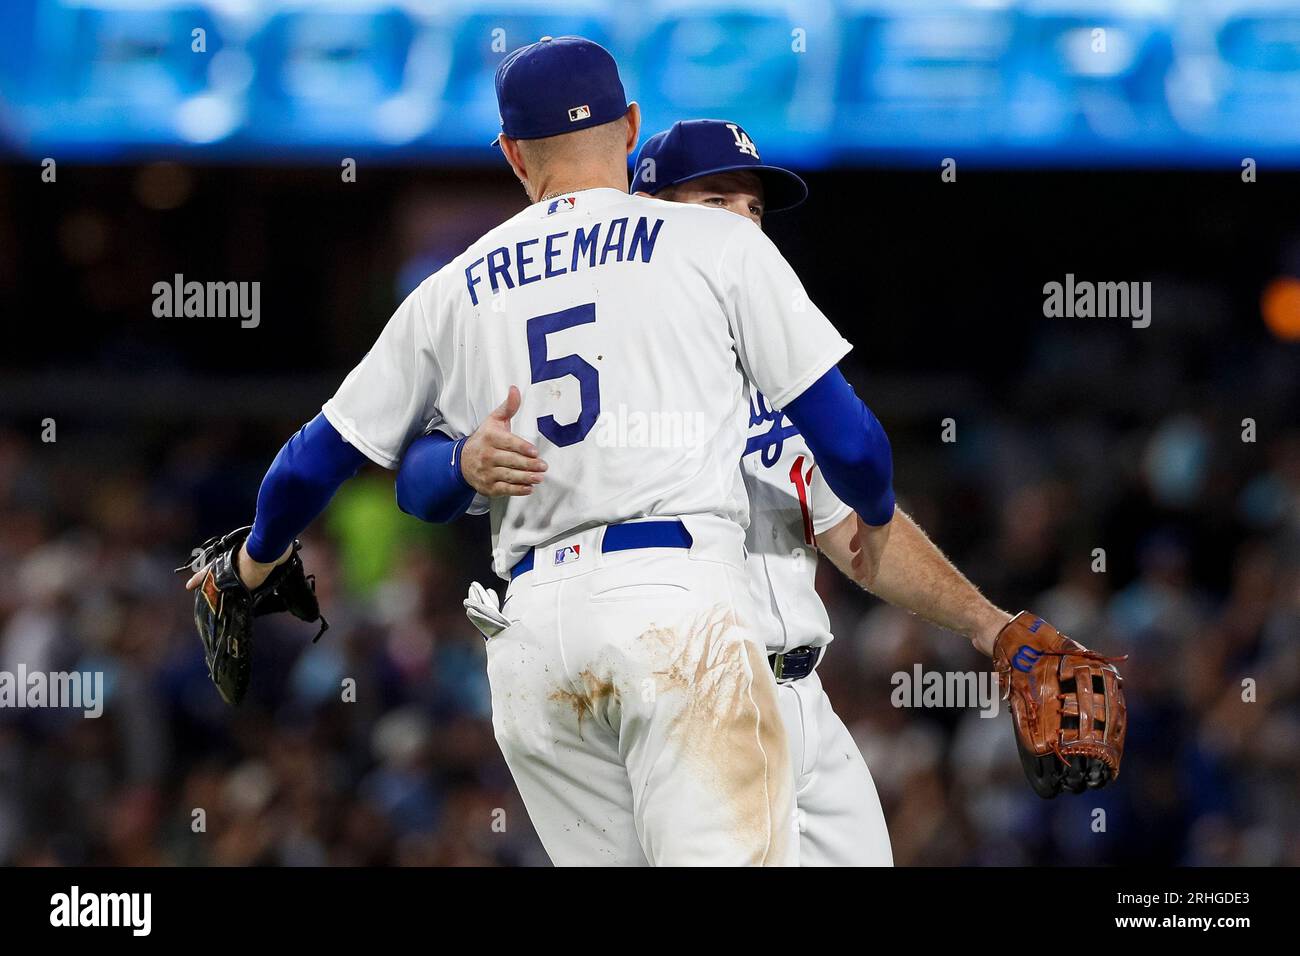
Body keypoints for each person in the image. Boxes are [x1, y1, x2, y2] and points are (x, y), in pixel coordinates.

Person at [189, 38, 898, 866]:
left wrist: (252, 564)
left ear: (511, 152)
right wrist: (875, 516)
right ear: (631, 128)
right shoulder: (718, 242)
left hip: (532, 639)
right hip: (677, 612)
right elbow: (853, 445)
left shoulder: (451, 286)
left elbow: (314, 461)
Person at [398, 119, 1014, 865]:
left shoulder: (782, 375)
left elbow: (861, 534)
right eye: (718, 203)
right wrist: (462, 458)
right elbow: (417, 472)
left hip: (801, 697)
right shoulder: (579, 346)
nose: (744, 228)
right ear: (644, 213)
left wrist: (991, 625)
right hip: (688, 690)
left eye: (755, 211)